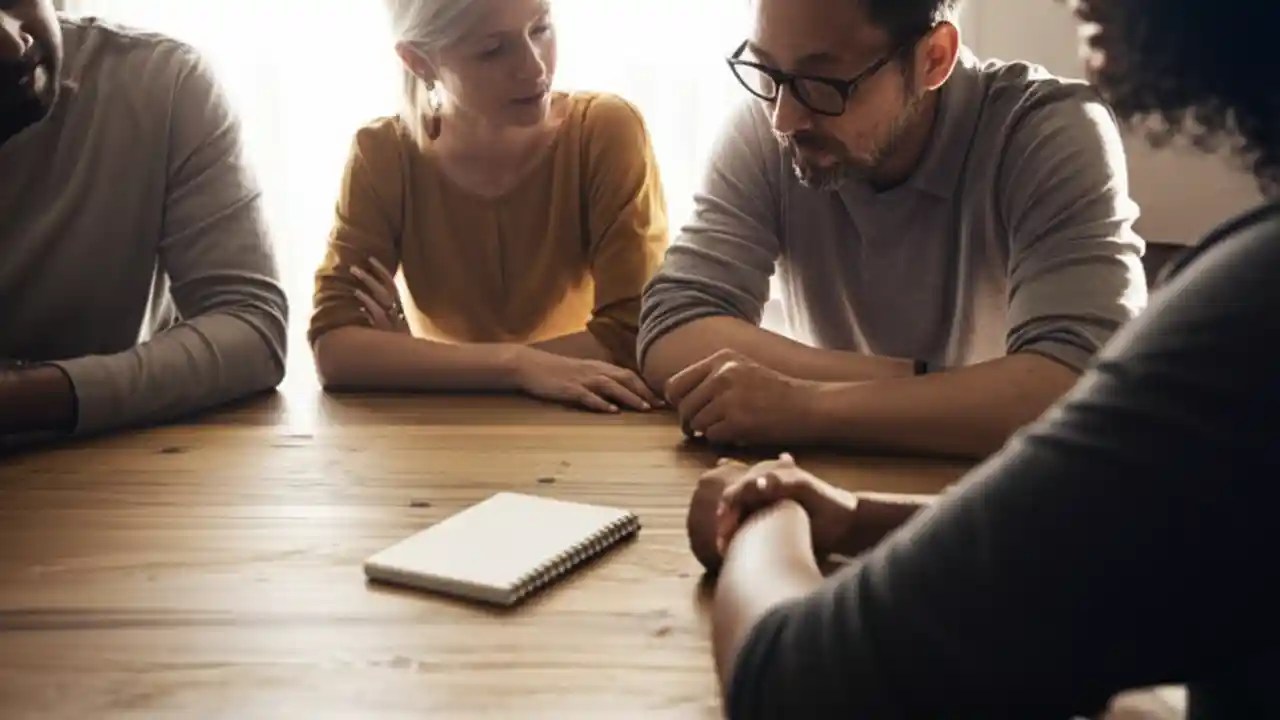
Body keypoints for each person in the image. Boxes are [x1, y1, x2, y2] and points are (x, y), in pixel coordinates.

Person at [686, 0, 1280, 713]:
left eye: (824, 81)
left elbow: (792, 681)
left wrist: (764, 512)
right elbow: (1111, 534)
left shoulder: (1253, 311)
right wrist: (858, 517)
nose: (786, 116)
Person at [639, 0, 1148, 458]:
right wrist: (925, 385)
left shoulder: (1046, 133)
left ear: (934, 59)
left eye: (822, 83)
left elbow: (1076, 388)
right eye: (766, 70)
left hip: (996, 490)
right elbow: (674, 327)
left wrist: (805, 406)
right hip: (830, 477)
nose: (784, 119)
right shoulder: (768, 127)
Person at [309, 0, 669, 415]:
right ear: (418, 62)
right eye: (492, 50)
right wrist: (517, 366)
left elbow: (636, 334)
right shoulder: (383, 155)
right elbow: (335, 347)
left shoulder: (605, 131)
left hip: (592, 420)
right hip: (445, 428)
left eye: (540, 29)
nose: (534, 67)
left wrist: (413, 361)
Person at [0, 1, 287, 446]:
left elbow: (252, 329)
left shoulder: (161, 83)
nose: (11, 42)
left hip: (118, 465)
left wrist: (26, 397)